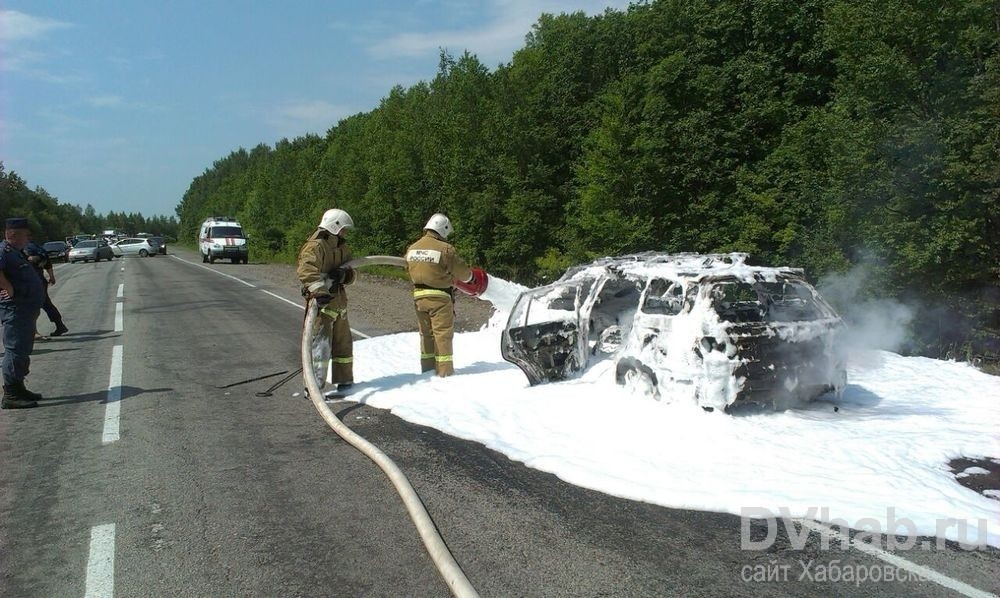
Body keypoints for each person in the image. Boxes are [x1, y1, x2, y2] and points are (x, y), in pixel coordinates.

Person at [405, 213, 484, 377]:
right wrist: (472, 278)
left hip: (419, 297)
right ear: (443, 230)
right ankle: (444, 373)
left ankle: (427, 372)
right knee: (442, 335)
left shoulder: (412, 248)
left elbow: (408, 268)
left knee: (426, 335)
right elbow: (462, 272)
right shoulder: (445, 249)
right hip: (439, 298)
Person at [297, 208, 357, 390]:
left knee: (344, 344)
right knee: (320, 346)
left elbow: (353, 271)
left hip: (339, 302)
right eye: (343, 228)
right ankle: (313, 386)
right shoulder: (315, 246)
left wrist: (344, 275)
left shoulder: (341, 247)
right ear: (334, 226)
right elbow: (306, 271)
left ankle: (345, 381)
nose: (344, 232)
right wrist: (319, 291)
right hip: (322, 303)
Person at [0, 218, 46, 409]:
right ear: (14, 235)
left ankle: (19, 388)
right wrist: (8, 287)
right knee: (15, 350)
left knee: (22, 350)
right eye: (26, 234)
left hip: (25, 310)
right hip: (16, 309)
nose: (28, 238)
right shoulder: (4, 251)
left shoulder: (16, 253)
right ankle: (10, 394)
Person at [25, 238, 68, 337]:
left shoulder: (23, 248)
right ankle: (59, 325)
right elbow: (47, 262)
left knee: (32, 306)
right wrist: (51, 276)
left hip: (31, 281)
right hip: (39, 280)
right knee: (46, 303)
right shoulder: (37, 247)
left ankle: (33, 331)